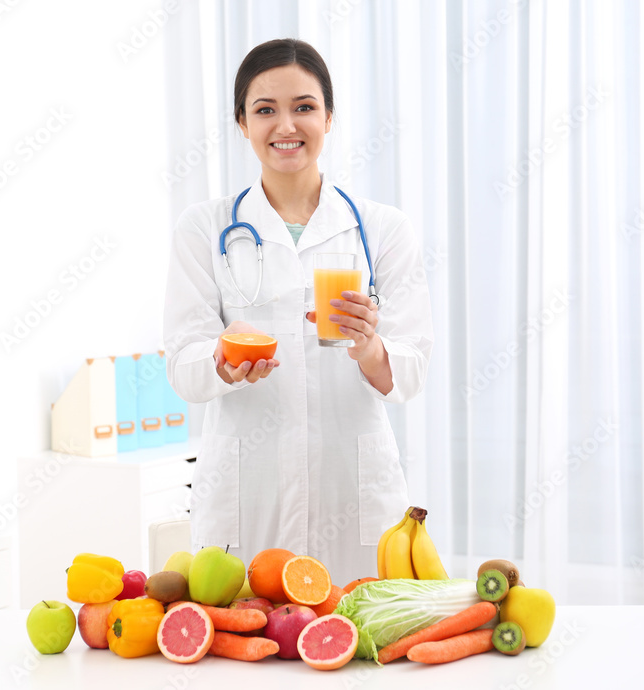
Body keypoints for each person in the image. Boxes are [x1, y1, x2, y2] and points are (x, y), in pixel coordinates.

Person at [163, 38, 432, 585]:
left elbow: (410, 372)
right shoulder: (205, 228)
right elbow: (183, 365)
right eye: (265, 110)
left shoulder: (381, 229)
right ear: (242, 122)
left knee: (359, 656)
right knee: (246, 656)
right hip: (247, 498)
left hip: (354, 495)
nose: (286, 125)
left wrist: (369, 348)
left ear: (329, 117)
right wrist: (222, 361)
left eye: (304, 107)